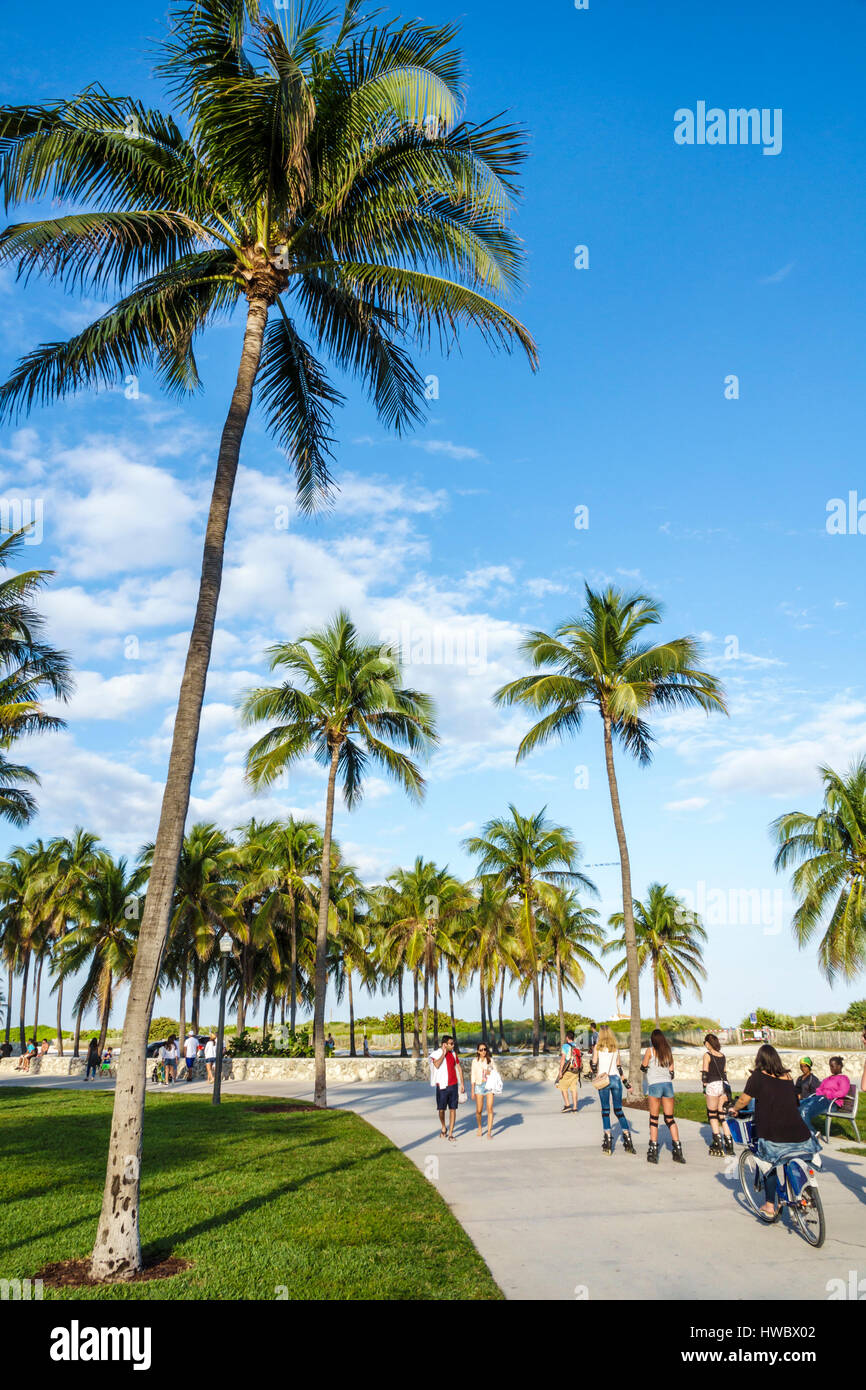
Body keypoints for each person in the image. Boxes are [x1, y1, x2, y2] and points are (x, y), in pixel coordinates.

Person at [728, 1044, 819, 1220]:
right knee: (796, 1158)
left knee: (767, 1164)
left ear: (759, 1060)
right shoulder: (788, 1076)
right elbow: (794, 1102)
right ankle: (803, 1192)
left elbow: (744, 1099)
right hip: (798, 1131)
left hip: (773, 1133)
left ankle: (770, 1205)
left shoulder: (757, 1076)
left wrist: (734, 1108)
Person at [642, 1028, 686, 1165]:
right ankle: (678, 1150)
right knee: (670, 1119)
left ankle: (653, 1151)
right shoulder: (668, 1051)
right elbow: (672, 1071)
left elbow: (643, 1066)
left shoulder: (650, 1051)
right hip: (667, 1085)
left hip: (655, 1085)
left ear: (653, 1040)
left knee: (654, 1119)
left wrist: (647, 1068)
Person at [592, 1027, 636, 1155]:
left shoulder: (597, 1048)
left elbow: (594, 1065)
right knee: (618, 1110)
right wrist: (626, 1084)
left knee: (605, 1111)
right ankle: (628, 1140)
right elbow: (619, 1067)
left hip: (604, 1080)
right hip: (616, 1080)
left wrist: (594, 1070)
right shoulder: (615, 1048)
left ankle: (608, 1142)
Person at [702, 1033, 734, 1158]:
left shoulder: (707, 1055)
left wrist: (704, 1088)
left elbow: (705, 1073)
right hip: (724, 1085)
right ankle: (729, 1143)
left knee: (712, 1114)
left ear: (708, 1043)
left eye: (705, 1042)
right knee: (723, 1115)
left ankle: (717, 1143)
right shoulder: (723, 1056)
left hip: (713, 1085)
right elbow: (724, 1072)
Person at [799, 1056, 852, 1131]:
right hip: (820, 1099)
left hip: (832, 1103)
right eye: (830, 1066)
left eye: (832, 1066)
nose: (831, 1068)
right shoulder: (827, 1079)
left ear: (839, 1066)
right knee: (798, 1105)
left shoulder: (843, 1078)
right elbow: (819, 1089)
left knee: (805, 1111)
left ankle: (813, 1134)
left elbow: (842, 1092)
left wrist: (828, 1095)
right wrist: (822, 1094)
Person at [430, 1035, 465, 1142]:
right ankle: (443, 1127)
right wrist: (443, 1054)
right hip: (442, 1086)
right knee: (441, 1110)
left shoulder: (453, 1054)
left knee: (453, 1109)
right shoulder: (436, 1054)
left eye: (453, 1043)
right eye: (451, 1044)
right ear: (444, 1044)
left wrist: (462, 1084)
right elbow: (436, 1065)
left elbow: (459, 1068)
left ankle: (450, 1134)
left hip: (453, 1085)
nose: (453, 1045)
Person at [471, 1042, 501, 1138]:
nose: (483, 1051)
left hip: (489, 1086)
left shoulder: (490, 1060)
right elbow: (473, 1076)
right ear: (478, 1051)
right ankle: (480, 1127)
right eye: (481, 1050)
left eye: (485, 1049)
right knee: (479, 1110)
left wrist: (490, 1072)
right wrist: (472, 1090)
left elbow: (495, 1073)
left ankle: (489, 1132)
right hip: (479, 1086)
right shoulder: (475, 1061)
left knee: (490, 1108)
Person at [556, 1030, 582, 1112]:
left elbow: (563, 1059)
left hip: (567, 1070)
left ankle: (567, 1105)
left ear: (567, 1037)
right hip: (576, 1070)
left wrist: (560, 1071)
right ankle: (575, 1107)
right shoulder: (577, 1046)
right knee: (573, 1088)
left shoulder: (565, 1046)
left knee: (563, 1086)